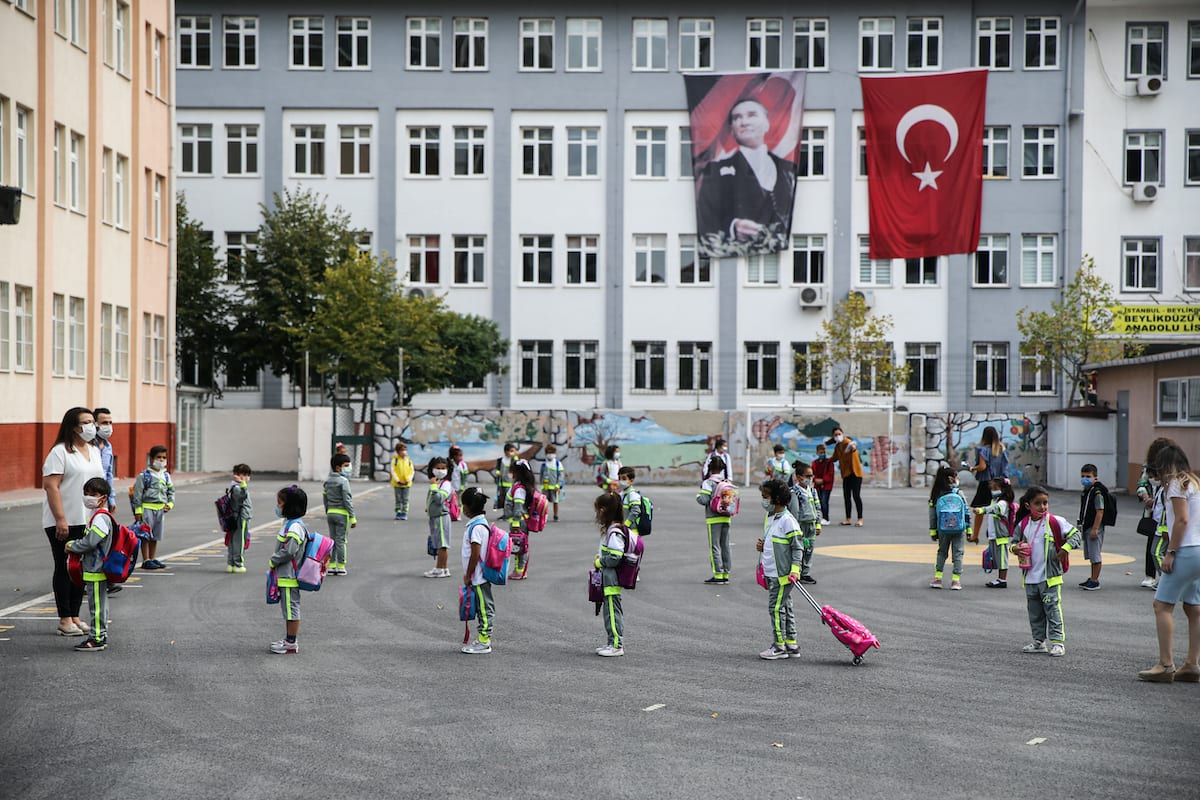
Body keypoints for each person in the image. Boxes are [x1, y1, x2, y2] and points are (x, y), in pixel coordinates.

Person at [695, 97, 796, 257]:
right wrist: (733, 227)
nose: (744, 122)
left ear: (767, 124)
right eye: (737, 118)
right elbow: (705, 217)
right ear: (732, 129)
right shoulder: (715, 170)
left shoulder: (788, 169)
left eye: (751, 115)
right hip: (740, 256)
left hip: (786, 258)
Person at [1138, 444, 1200, 683]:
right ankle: (1192, 664)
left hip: (1184, 550)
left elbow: (1181, 520)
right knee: (1193, 608)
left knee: (1162, 605)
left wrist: (1171, 552)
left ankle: (1165, 664)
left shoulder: (1176, 484)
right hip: (1198, 550)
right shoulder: (1194, 482)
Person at [43, 408, 105, 636]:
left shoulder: (93, 450)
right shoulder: (60, 452)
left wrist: (103, 512)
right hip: (64, 520)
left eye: (92, 422)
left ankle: (76, 616)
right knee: (65, 566)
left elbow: (99, 483)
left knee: (82, 569)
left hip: (88, 519)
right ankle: (64, 618)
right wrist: (60, 519)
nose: (92, 426)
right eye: (86, 422)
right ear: (73, 427)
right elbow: (51, 486)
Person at [1011, 486, 1082, 658]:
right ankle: (1038, 641)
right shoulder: (1024, 525)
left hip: (1050, 577)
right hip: (1030, 577)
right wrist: (1015, 548)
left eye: (1045, 503)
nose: (1043, 507)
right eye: (1038, 503)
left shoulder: (1055, 522)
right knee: (1035, 611)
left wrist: (1065, 548)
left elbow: (1076, 535)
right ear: (1028, 506)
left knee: (1052, 609)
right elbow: (1013, 543)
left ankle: (1058, 643)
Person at [65, 477, 116, 651]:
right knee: (99, 604)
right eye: (86, 493)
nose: (88, 497)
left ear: (104, 497)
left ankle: (97, 638)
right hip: (96, 568)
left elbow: (90, 542)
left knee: (97, 606)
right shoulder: (97, 516)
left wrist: (73, 545)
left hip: (96, 569)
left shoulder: (101, 518)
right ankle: (100, 634)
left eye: (93, 494)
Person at [756, 479, 804, 660]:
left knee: (775, 608)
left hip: (782, 574)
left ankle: (778, 645)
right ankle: (791, 642)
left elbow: (797, 547)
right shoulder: (771, 518)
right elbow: (775, 541)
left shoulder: (788, 520)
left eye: (765, 497)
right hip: (772, 571)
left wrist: (795, 569)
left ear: (776, 498)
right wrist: (763, 545)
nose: (763, 501)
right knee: (786, 606)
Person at [268, 485, 308, 655]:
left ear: (289, 506)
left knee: (291, 608)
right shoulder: (291, 524)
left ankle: (291, 642)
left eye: (280, 503)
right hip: (286, 575)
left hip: (289, 576)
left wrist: (274, 560)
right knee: (288, 608)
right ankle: (288, 639)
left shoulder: (294, 528)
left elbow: (290, 550)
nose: (278, 507)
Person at [1137, 438, 1177, 590]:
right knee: (1155, 550)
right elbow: (1141, 484)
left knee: (1158, 551)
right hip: (1157, 519)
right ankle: (1156, 577)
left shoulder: (1171, 479)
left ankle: (1167, 580)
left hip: (1165, 524)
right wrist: (1146, 497)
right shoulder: (1152, 470)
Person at [593, 492, 629, 657]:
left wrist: (601, 562)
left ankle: (616, 644)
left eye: (597, 510)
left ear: (603, 510)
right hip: (608, 577)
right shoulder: (612, 529)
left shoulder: (614, 532)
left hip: (612, 578)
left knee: (612, 613)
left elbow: (615, 556)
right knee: (609, 612)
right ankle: (611, 642)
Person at [90, 407, 122, 597]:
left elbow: (109, 474)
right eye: (104, 423)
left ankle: (104, 578)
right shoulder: (89, 445)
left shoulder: (108, 446)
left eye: (110, 422)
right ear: (95, 424)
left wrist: (111, 498)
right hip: (88, 497)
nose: (108, 426)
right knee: (90, 538)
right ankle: (83, 576)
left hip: (102, 499)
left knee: (104, 539)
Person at [460, 487, 495, 655]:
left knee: (484, 608)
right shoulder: (479, 524)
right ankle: (482, 638)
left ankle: (484, 641)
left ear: (468, 508)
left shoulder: (477, 528)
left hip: (479, 576)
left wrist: (468, 575)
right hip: (479, 576)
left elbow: (475, 554)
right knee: (482, 607)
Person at [132, 445, 174, 570]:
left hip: (160, 509)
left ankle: (153, 557)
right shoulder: (144, 475)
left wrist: (170, 504)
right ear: (151, 458)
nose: (161, 460)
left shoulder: (166, 476)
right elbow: (137, 495)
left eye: (164, 457)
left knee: (155, 535)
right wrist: (138, 511)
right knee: (145, 535)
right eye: (158, 457)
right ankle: (146, 559)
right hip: (147, 509)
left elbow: (171, 491)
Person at [928, 465, 967, 590]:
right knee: (958, 553)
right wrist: (969, 529)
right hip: (959, 528)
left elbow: (932, 515)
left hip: (943, 529)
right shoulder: (959, 493)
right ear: (951, 479)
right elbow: (966, 512)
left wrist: (933, 531)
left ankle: (937, 578)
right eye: (957, 477)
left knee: (942, 552)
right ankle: (956, 580)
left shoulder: (936, 494)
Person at [697, 455, 734, 584]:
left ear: (710, 468)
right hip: (726, 517)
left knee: (715, 546)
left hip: (713, 518)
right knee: (725, 545)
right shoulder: (726, 483)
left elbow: (704, 500)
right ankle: (726, 573)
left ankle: (717, 574)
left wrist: (698, 494)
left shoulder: (708, 483)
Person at [967, 426, 1008, 540]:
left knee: (980, 509)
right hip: (1000, 482)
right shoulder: (1002, 450)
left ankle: (975, 535)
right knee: (999, 508)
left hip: (987, 483)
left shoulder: (983, 450)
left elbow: (982, 466)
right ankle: (999, 532)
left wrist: (972, 468)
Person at [973, 478, 1015, 588]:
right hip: (994, 535)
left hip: (1000, 536)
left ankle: (1002, 579)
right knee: (997, 557)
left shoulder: (1002, 503)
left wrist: (982, 510)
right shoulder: (995, 500)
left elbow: (995, 509)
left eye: (995, 488)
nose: (993, 490)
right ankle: (1000, 578)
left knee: (1002, 558)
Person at [323, 453, 356, 575]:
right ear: (338, 468)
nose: (349, 468)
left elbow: (325, 499)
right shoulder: (343, 481)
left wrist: (328, 510)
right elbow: (347, 499)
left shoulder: (327, 482)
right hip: (342, 514)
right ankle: (341, 566)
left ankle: (331, 565)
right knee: (341, 540)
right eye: (346, 466)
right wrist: (352, 517)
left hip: (331, 513)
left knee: (332, 540)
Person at [789, 462, 821, 584]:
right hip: (800, 525)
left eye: (811, 475)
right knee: (799, 548)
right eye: (807, 476)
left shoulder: (812, 491)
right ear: (798, 477)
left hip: (811, 525)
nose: (809, 478)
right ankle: (797, 571)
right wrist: (795, 527)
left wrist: (818, 524)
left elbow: (817, 507)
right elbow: (794, 511)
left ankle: (806, 573)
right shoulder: (795, 492)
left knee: (809, 548)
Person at [1076, 464, 1106, 591]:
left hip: (1094, 528)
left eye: (1088, 476)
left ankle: (1095, 581)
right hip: (1087, 527)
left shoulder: (1097, 492)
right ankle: (1092, 577)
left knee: (1095, 555)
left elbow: (1100, 511)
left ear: (1095, 478)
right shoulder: (1087, 491)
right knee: (1091, 555)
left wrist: (1095, 529)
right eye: (1083, 476)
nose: (1085, 479)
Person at [505, 460, 537, 579]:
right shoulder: (519, 486)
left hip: (519, 522)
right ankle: (519, 569)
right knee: (519, 545)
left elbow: (518, 508)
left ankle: (520, 570)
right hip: (520, 521)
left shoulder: (519, 489)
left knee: (520, 546)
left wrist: (516, 523)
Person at [424, 456, 454, 578]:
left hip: (441, 517)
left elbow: (439, 499)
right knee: (439, 543)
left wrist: (433, 487)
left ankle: (439, 569)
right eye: (438, 468)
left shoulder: (445, 484)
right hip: (436, 516)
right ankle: (444, 568)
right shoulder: (438, 482)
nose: (440, 470)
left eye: (443, 468)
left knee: (442, 545)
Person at [828, 428, 864, 526]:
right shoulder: (838, 446)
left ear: (843, 434)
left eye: (839, 434)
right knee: (846, 496)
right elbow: (834, 458)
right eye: (835, 435)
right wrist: (826, 461)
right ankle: (848, 518)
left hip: (855, 473)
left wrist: (853, 447)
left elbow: (853, 446)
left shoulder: (847, 442)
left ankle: (860, 519)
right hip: (846, 474)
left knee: (856, 496)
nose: (838, 436)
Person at [225, 464, 253, 574]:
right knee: (239, 541)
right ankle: (238, 564)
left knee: (234, 540)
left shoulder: (235, 487)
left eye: (248, 475)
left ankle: (231, 563)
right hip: (241, 517)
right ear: (237, 475)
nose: (247, 478)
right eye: (244, 475)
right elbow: (242, 497)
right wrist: (243, 485)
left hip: (237, 516)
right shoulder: (237, 488)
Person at [390, 442, 414, 521]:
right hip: (397, 483)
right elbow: (393, 470)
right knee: (398, 498)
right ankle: (398, 512)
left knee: (405, 499)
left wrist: (408, 480)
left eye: (405, 450)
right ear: (398, 451)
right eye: (402, 450)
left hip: (407, 483)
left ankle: (404, 512)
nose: (404, 452)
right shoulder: (395, 460)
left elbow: (412, 471)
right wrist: (398, 480)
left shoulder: (409, 460)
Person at [810, 445, 835, 524]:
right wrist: (815, 480)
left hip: (826, 486)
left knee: (824, 501)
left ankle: (826, 518)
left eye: (824, 452)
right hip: (817, 486)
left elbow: (830, 474)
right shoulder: (814, 463)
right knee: (818, 502)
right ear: (817, 452)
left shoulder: (829, 462)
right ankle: (819, 517)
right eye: (821, 452)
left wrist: (823, 480)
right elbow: (812, 473)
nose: (822, 454)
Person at [540, 444, 565, 522]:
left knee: (555, 501)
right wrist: (541, 485)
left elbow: (561, 475)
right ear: (546, 453)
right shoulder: (544, 464)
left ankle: (555, 515)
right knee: (544, 503)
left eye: (552, 452)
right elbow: (541, 475)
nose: (550, 454)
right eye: (548, 452)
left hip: (554, 487)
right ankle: (544, 516)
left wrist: (558, 485)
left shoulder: (558, 464)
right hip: (545, 487)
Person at [618, 466, 643, 531]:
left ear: (631, 481)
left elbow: (635, 511)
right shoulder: (621, 494)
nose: (620, 481)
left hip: (632, 531)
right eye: (619, 478)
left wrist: (626, 524)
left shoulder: (633, 495)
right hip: (624, 529)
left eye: (624, 479)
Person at [493, 442, 517, 510]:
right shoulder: (500, 460)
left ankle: (509, 512)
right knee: (502, 499)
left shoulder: (514, 460)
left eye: (513, 451)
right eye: (511, 451)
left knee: (510, 499)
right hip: (501, 483)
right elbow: (498, 469)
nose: (513, 453)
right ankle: (505, 512)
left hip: (510, 483)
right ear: (506, 451)